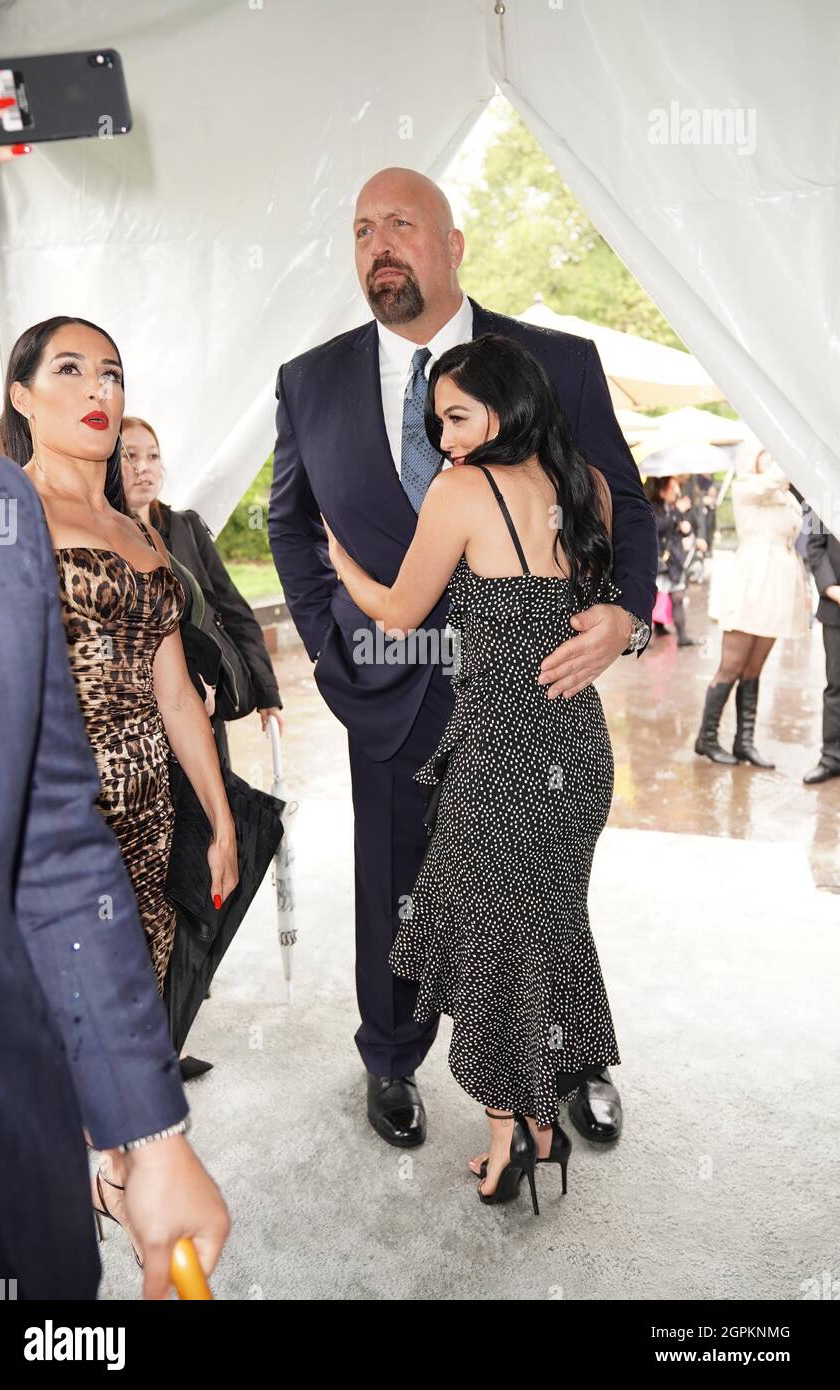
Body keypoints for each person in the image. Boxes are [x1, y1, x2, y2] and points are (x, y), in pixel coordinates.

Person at [268, 166, 656, 1152]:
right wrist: (330, 650)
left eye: (401, 223)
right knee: (396, 880)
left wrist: (621, 616)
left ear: (453, 244)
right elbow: (288, 527)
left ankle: (566, 1056)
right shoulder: (306, 380)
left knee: (534, 879)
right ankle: (391, 1059)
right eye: (360, 230)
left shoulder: (556, 361)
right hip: (384, 695)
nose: (378, 244)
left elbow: (626, 501)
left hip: (533, 694)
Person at [323, 333, 623, 1210]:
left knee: (487, 942)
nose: (443, 437)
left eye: (456, 414)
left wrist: (338, 559)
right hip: (579, 753)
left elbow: (398, 609)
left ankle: (511, 1139)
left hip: (502, 758)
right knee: (541, 931)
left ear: (508, 401)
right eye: (435, 419)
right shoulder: (585, 487)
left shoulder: (462, 490)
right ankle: (536, 1123)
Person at [0, 439, 230, 1299]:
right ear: (21, 394)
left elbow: (51, 842)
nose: (98, 390)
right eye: (71, 368)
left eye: (110, 370)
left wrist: (152, 1133)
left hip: (128, 806)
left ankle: (108, 1158)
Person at [120, 414, 284, 771]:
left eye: (152, 456)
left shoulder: (186, 527)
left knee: (216, 803)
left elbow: (234, 610)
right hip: (147, 719)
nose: (143, 468)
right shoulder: (102, 541)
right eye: (129, 456)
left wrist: (267, 692)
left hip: (208, 705)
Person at [694, 439, 809, 766]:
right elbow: (776, 477)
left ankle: (744, 741)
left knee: (754, 668)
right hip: (753, 584)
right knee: (730, 666)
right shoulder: (748, 488)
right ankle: (707, 737)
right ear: (750, 460)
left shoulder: (785, 497)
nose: (773, 459)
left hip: (780, 588)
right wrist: (789, 456)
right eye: (766, 454)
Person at [802, 504, 840, 784]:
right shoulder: (824, 491)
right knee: (836, 685)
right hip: (835, 605)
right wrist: (830, 587)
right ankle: (831, 756)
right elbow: (814, 546)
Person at [645, 475, 704, 647]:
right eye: (673, 487)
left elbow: (680, 529)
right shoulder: (651, 507)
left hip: (674, 561)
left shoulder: (673, 508)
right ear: (661, 489)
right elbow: (657, 527)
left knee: (677, 597)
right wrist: (677, 511)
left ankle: (682, 636)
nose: (677, 491)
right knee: (650, 599)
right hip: (658, 560)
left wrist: (686, 531)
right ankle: (645, 637)